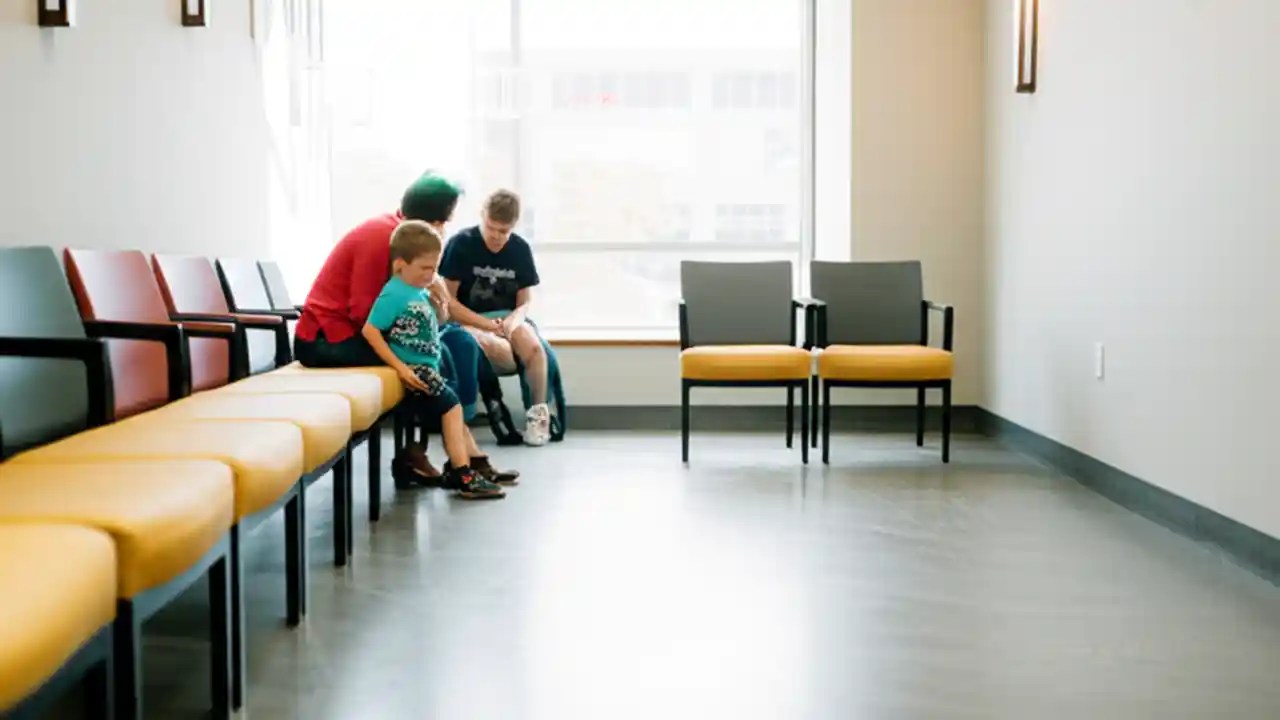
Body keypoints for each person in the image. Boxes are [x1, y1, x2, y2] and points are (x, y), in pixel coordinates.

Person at [294, 171, 505, 483]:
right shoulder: (382, 238)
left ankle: (448, 454)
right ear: (431, 220)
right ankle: (453, 458)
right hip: (324, 340)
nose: (443, 230)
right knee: (423, 359)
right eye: (443, 222)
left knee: (438, 350)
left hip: (346, 332)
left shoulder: (397, 232)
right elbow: (362, 311)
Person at [361, 220, 512, 499]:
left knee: (453, 409)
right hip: (416, 369)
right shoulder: (394, 293)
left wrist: (441, 304)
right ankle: (462, 474)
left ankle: (467, 466)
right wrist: (400, 368)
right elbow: (370, 331)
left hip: (429, 366)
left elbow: (434, 324)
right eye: (425, 268)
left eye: (434, 268)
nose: (431, 274)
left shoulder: (419, 290)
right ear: (400, 265)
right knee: (452, 408)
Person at [440, 189, 552, 445]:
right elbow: (449, 303)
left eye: (504, 231)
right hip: (468, 320)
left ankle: (538, 416)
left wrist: (512, 322)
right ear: (482, 215)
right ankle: (487, 409)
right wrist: (486, 325)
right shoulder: (461, 244)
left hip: (507, 318)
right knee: (496, 349)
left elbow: (524, 302)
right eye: (491, 227)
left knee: (535, 349)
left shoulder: (520, 249)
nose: (497, 236)